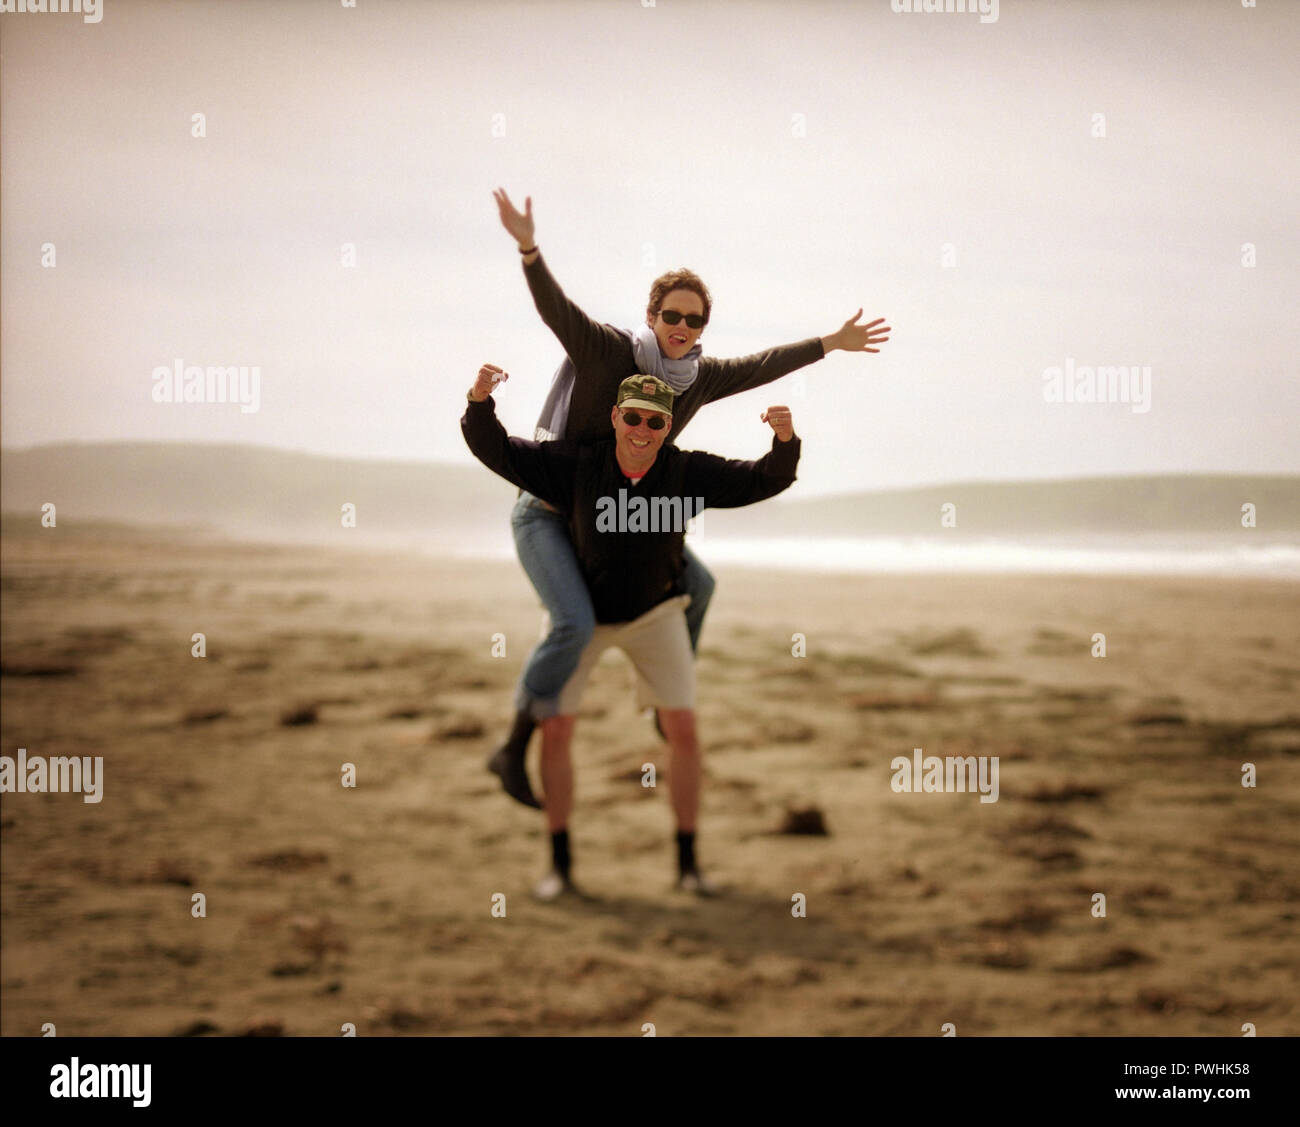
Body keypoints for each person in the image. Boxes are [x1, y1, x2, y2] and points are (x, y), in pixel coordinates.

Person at [487, 188, 890, 807]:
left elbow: (762, 364)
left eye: (694, 320)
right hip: (547, 510)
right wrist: (529, 247)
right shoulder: (609, 352)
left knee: (698, 589)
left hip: (614, 516)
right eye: (671, 316)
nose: (681, 328)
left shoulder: (696, 380)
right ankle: (514, 746)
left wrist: (830, 343)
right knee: (573, 623)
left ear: (703, 327)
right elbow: (556, 311)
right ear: (651, 316)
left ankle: (663, 701)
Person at [462, 367, 800, 898]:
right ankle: (560, 868)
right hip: (587, 617)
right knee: (557, 730)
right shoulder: (577, 464)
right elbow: (500, 451)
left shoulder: (685, 472)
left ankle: (688, 867)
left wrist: (784, 441)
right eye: (634, 418)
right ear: (616, 417)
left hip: (655, 613)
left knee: (684, 731)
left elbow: (762, 479)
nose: (643, 430)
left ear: (668, 428)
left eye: (656, 422)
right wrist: (480, 401)